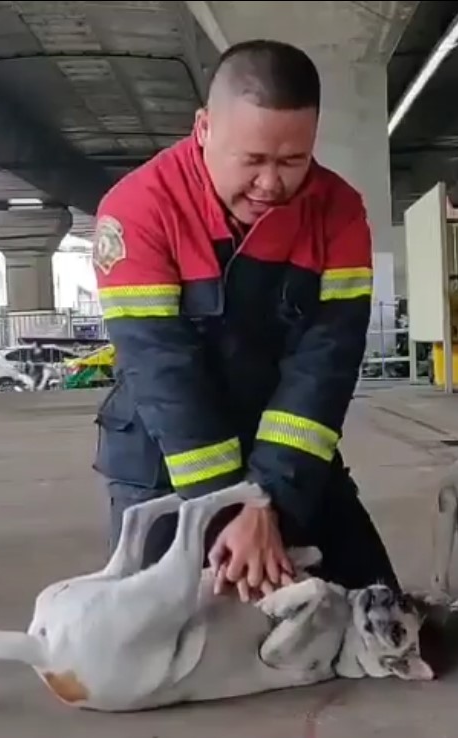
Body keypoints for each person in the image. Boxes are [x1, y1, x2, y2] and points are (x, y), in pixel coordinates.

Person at [90, 39, 399, 602]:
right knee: (162, 632)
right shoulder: (138, 209)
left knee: (378, 614)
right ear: (203, 129)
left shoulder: (339, 211)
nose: (270, 184)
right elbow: (163, 370)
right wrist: (231, 508)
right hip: (168, 458)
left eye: (292, 161)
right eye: (252, 160)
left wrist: (270, 500)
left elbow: (324, 367)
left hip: (283, 455)